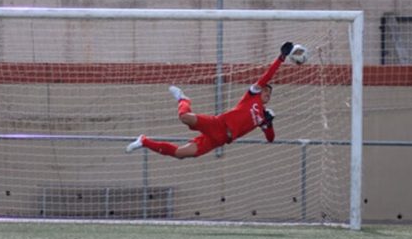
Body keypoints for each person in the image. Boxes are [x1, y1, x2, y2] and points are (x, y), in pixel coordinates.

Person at [125, 41, 308, 159]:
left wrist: (269, 125)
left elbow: (270, 139)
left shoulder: (263, 116)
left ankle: (144, 141)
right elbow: (267, 76)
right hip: (218, 125)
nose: (267, 93)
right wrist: (281, 58)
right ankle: (183, 99)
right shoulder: (252, 95)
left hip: (219, 140)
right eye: (266, 90)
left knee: (181, 154)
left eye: (269, 93)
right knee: (184, 117)